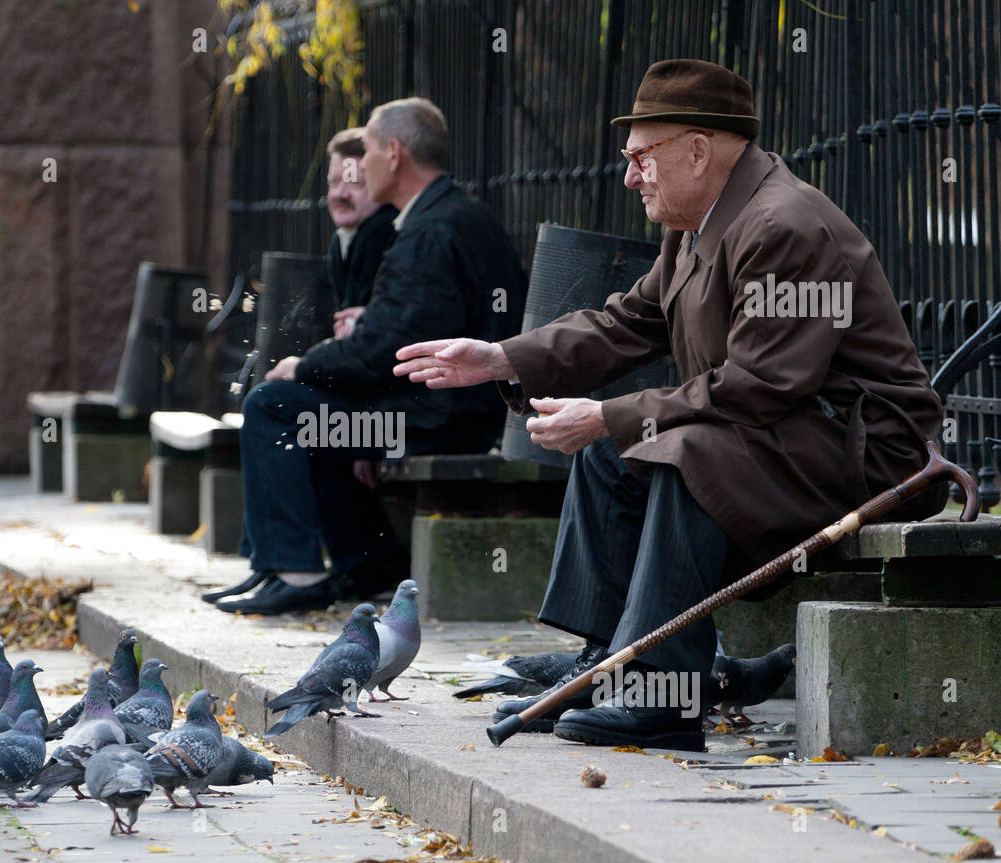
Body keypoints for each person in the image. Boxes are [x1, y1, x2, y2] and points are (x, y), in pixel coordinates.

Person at [394, 60, 944, 750]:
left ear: (697, 148)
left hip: (864, 456)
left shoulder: (783, 224)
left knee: (684, 449)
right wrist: (503, 357)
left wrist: (609, 413)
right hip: (789, 433)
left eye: (639, 157)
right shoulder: (701, 219)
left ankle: (664, 694)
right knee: (610, 452)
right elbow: (628, 322)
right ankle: (608, 659)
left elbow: (762, 384)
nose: (631, 177)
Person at [208, 97, 527, 615]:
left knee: (275, 405)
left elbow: (380, 349)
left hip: (437, 420)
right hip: (444, 412)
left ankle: (296, 570)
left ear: (395, 153)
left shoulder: (431, 231)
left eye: (371, 152)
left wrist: (303, 364)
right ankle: (368, 563)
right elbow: (398, 334)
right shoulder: (448, 216)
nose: (365, 164)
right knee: (317, 414)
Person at [323, 128, 398, 338]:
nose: (340, 193)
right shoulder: (342, 237)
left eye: (355, 183)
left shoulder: (380, 231)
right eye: (334, 182)